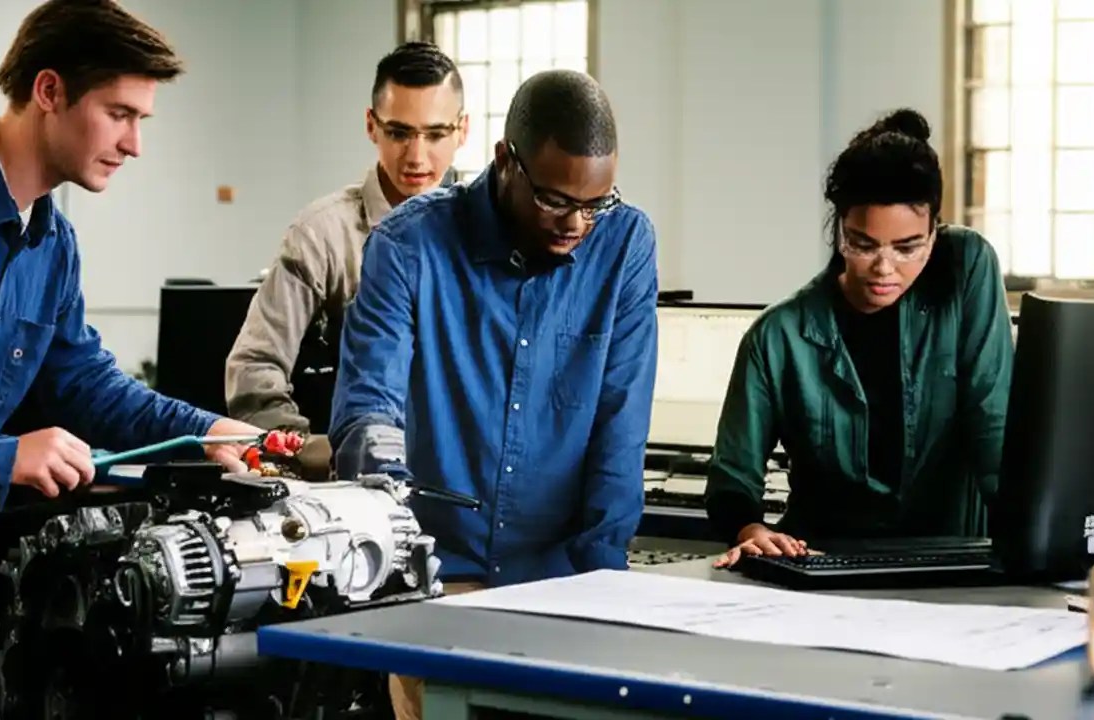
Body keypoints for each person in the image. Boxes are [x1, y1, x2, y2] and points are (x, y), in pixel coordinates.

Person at [0, 1, 264, 714]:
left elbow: (85, 385)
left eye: (142, 121)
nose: (135, 144)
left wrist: (210, 433)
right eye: (120, 113)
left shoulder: (55, 243)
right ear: (49, 92)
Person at [329, 69, 658, 720]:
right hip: (437, 580)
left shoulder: (625, 243)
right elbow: (369, 409)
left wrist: (600, 592)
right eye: (556, 201)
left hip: (565, 584)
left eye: (596, 203)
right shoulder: (410, 244)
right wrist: (405, 558)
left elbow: (621, 425)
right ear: (506, 160)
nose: (578, 224)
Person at [706, 108, 1014, 567]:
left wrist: (1034, 544)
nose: (885, 268)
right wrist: (751, 529)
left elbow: (995, 426)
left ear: (934, 231)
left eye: (909, 248)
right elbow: (733, 479)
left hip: (952, 559)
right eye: (863, 244)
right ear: (838, 232)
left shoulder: (964, 266)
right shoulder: (778, 337)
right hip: (824, 565)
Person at [225, 41, 467, 434]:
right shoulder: (321, 234)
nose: (417, 157)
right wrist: (303, 452)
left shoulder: (488, 234)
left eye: (436, 134)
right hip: (353, 469)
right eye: (399, 133)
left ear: (462, 131)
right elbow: (255, 366)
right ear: (372, 126)